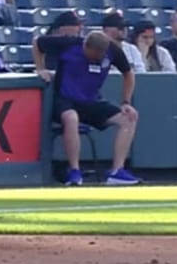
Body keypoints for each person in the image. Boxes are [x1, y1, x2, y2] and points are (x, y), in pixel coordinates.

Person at [34, 30, 142, 186]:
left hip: (91, 100)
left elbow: (128, 73)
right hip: (65, 99)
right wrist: (40, 68)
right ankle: (74, 171)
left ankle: (117, 171)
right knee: (71, 118)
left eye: (100, 55)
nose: (96, 58)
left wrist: (126, 102)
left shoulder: (112, 51)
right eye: (93, 54)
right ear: (85, 45)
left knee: (129, 118)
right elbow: (37, 43)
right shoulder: (69, 44)